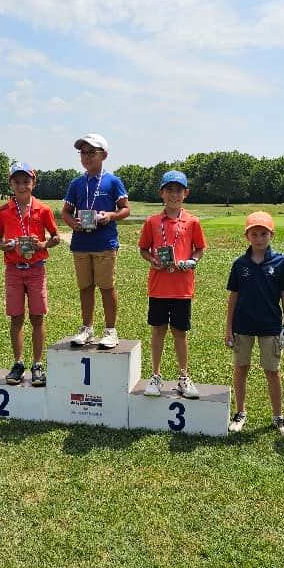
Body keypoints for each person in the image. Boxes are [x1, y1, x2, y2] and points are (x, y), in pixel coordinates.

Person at [225, 211, 284, 437]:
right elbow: (233, 297)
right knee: (240, 368)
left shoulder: (281, 262)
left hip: (270, 325)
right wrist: (228, 328)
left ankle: (278, 417)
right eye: (254, 234)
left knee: (272, 371)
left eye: (263, 233)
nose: (259, 238)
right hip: (243, 324)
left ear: (271, 235)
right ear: (247, 236)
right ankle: (240, 412)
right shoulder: (240, 264)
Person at [138, 170, 206, 399]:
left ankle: (183, 376)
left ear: (185, 194)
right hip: (158, 286)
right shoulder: (152, 221)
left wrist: (192, 261)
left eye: (178, 190)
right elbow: (143, 249)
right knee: (158, 331)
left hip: (182, 289)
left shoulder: (193, 221)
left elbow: (200, 248)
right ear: (161, 193)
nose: (174, 194)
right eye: (169, 190)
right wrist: (152, 260)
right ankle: (155, 376)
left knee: (180, 333)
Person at [0, 162, 61, 386]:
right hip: (13, 270)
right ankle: (18, 363)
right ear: (10, 183)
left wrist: (42, 244)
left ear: (33, 182)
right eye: (17, 181)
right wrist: (3, 245)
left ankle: (37, 363)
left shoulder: (43, 210)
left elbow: (55, 237)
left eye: (26, 181)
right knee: (16, 317)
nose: (22, 186)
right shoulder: (3, 211)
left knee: (37, 317)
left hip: (36, 270)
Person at [61, 133, 130, 349]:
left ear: (104, 155)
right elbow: (65, 212)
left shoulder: (113, 181)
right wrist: (74, 224)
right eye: (83, 152)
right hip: (81, 244)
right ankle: (87, 329)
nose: (87, 156)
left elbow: (125, 209)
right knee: (85, 287)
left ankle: (110, 331)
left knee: (107, 287)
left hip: (105, 243)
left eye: (92, 152)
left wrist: (110, 216)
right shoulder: (76, 183)